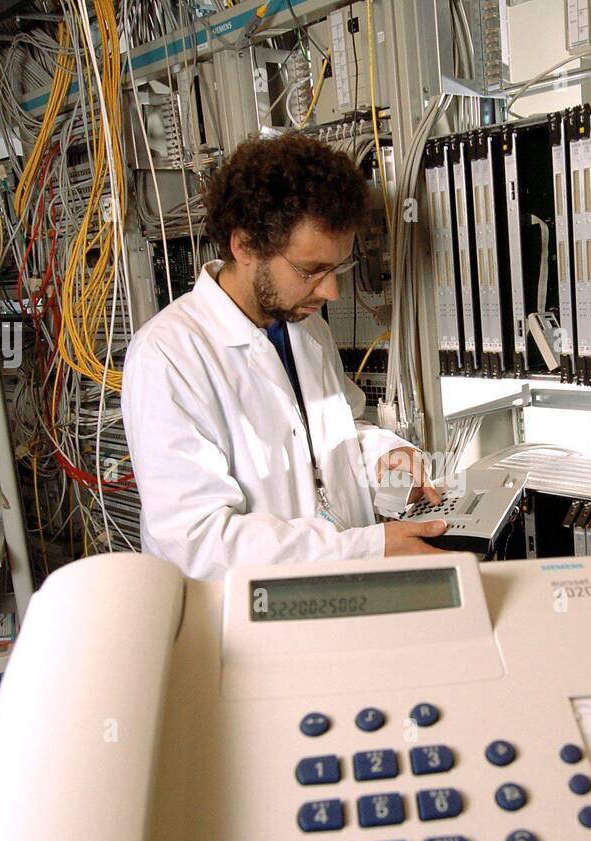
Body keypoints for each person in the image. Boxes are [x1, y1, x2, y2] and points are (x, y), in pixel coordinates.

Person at [121, 133, 445, 580]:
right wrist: (364, 550)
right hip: (243, 626)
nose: (331, 291)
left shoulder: (306, 327)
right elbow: (199, 542)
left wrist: (384, 456)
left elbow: (338, 432)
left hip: (339, 599)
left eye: (338, 268)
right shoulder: (169, 357)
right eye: (311, 270)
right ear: (245, 246)